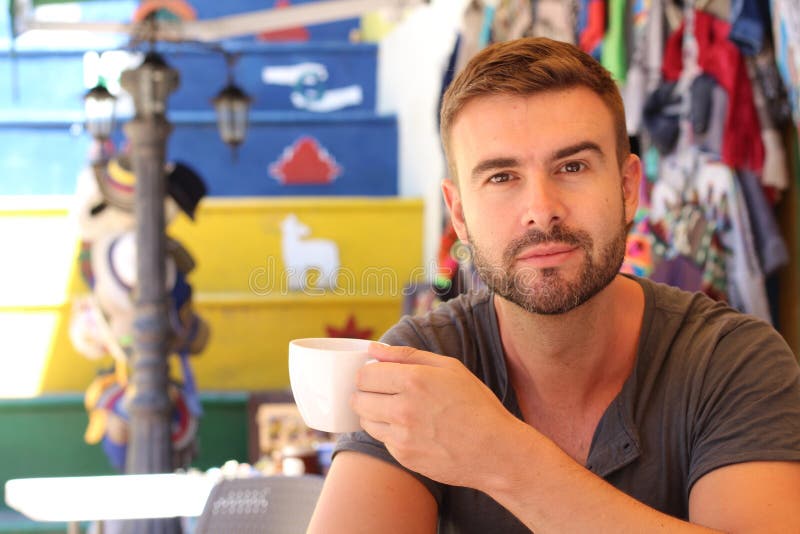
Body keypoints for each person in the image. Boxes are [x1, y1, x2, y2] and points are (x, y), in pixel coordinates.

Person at [307, 37, 800, 533]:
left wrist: (499, 455)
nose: (541, 209)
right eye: (501, 177)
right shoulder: (425, 361)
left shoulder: (731, 360)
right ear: (458, 213)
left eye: (572, 167)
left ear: (628, 188)